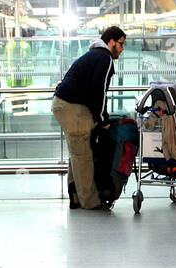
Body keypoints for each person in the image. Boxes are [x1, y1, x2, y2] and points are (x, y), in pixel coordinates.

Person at [52, 26, 126, 210]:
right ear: (111, 41)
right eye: (121, 44)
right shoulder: (105, 58)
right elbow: (99, 91)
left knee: (77, 153)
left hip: (66, 105)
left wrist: (100, 117)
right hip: (72, 107)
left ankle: (76, 196)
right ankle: (90, 202)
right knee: (83, 156)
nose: (122, 49)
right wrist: (103, 120)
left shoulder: (94, 55)